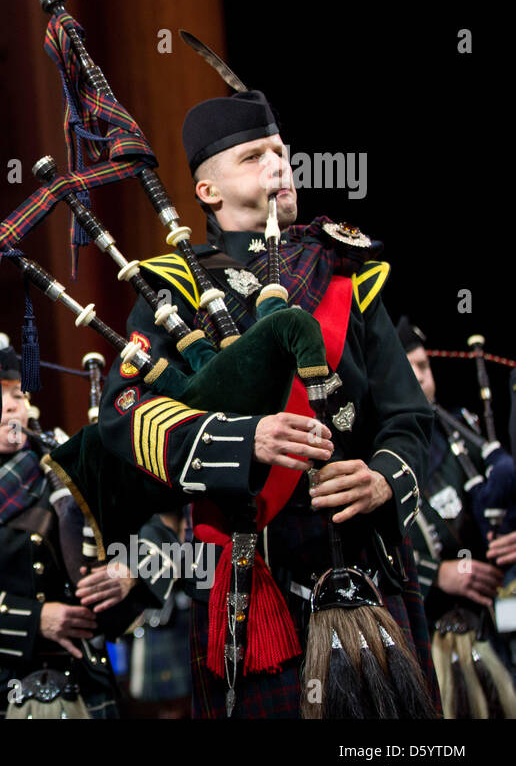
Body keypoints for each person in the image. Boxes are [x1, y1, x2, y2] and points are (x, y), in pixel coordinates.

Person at [96, 90, 437, 717]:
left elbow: (412, 420)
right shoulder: (171, 289)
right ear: (207, 193)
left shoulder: (347, 274)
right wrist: (240, 441)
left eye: (281, 151)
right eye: (254, 156)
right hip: (252, 585)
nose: (279, 164)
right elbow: (124, 418)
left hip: (365, 564)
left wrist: (384, 481)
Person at [0, 344, 161, 718]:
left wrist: (129, 571)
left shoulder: (65, 465)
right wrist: (35, 621)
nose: (13, 406)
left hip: (85, 682)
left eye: (18, 394)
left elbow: (153, 530)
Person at [397, 317, 516, 716]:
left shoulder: (465, 433)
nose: (423, 378)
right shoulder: (375, 453)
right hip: (423, 636)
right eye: (409, 368)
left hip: (493, 628)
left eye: (425, 367)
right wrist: (437, 573)